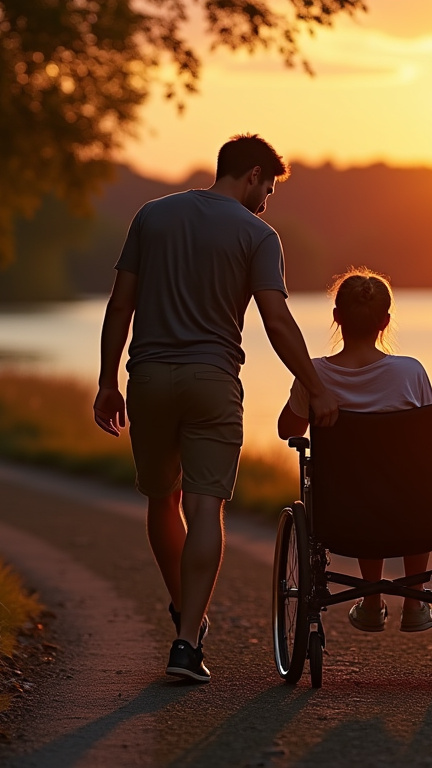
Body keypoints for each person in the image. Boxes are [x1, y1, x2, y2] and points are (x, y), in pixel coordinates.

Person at [94, 134, 339, 684]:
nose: (267, 200)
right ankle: (185, 641)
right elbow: (277, 321)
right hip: (213, 381)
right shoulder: (258, 235)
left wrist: (107, 381)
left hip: (149, 378)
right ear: (252, 174)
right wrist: (315, 385)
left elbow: (120, 305)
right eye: (268, 187)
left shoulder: (151, 216)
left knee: (163, 499)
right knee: (206, 505)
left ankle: (186, 615)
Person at [276, 268, 432, 633]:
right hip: (410, 511)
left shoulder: (314, 375)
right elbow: (429, 445)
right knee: (413, 483)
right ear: (385, 321)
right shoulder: (410, 372)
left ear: (337, 317)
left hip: (343, 511)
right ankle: (414, 604)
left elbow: (287, 430)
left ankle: (370, 600)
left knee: (364, 483)